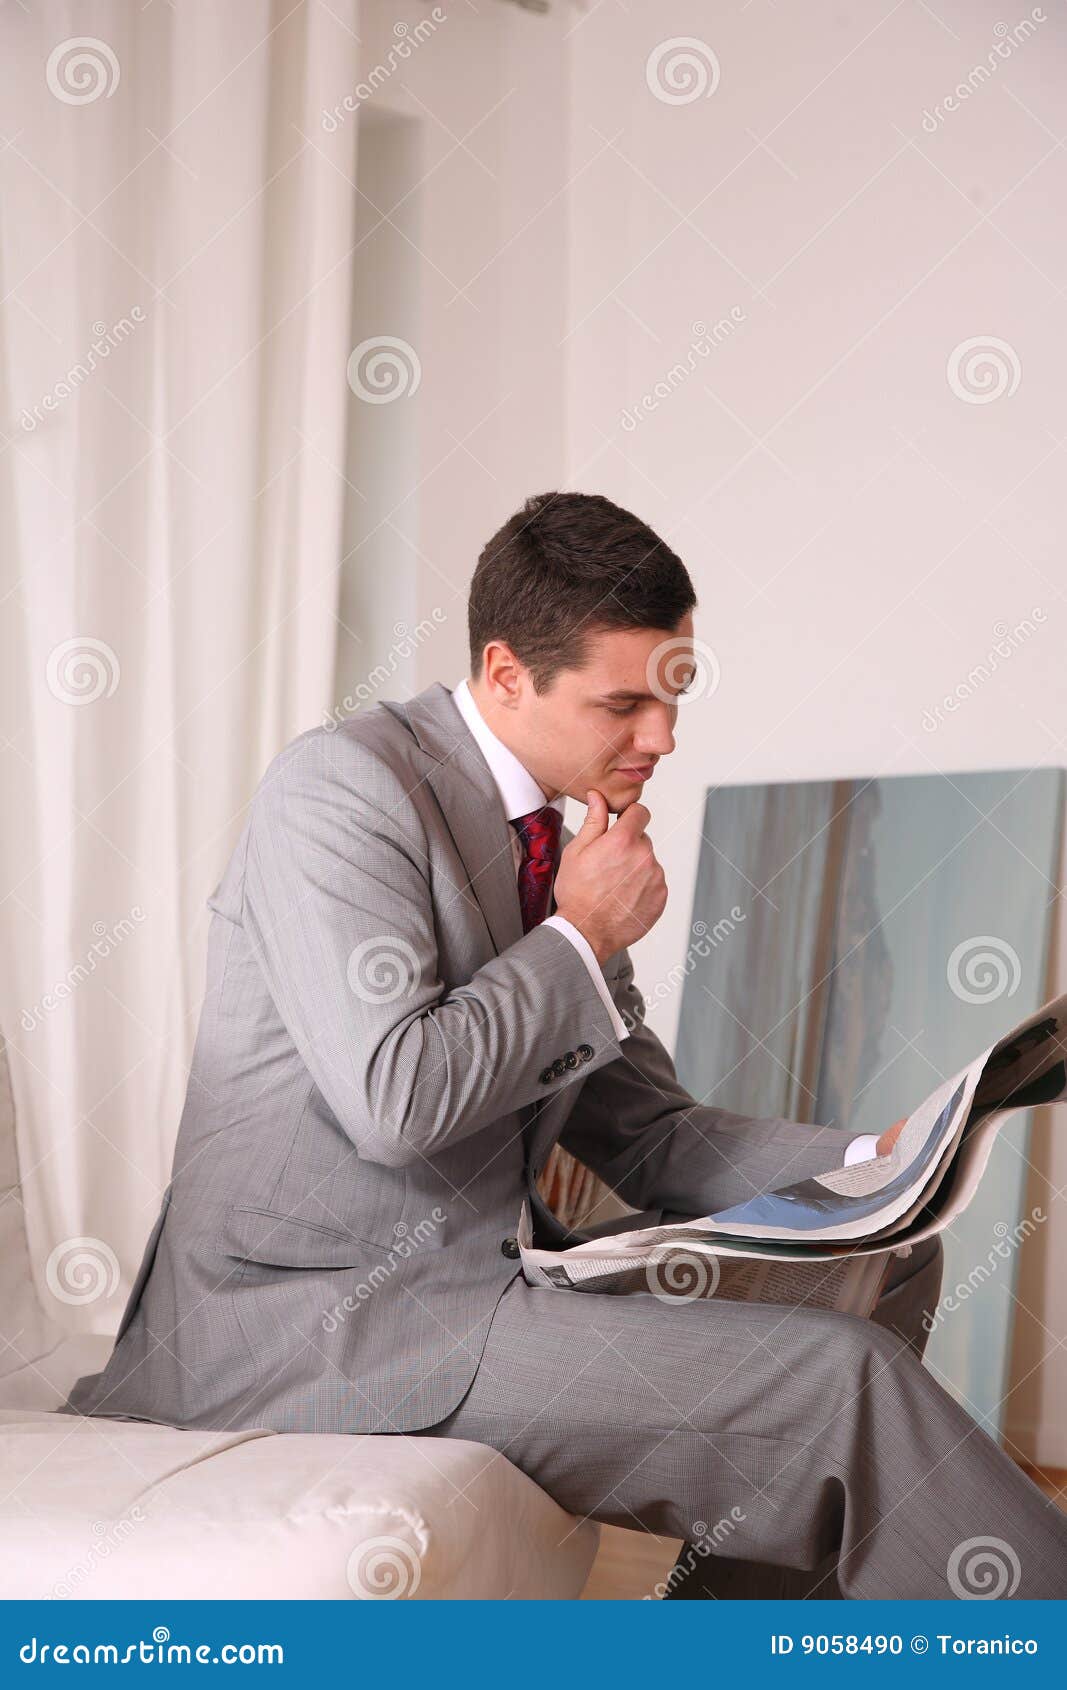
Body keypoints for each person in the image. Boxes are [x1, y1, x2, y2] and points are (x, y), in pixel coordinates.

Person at [62, 491, 1067, 1598]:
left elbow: (648, 1134)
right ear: (505, 675)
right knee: (841, 1383)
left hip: (479, 1285)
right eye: (624, 703)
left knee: (886, 1252)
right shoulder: (341, 790)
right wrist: (579, 934)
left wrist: (881, 1158)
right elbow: (395, 1103)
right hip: (314, 1327)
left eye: (673, 695)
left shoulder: (555, 838)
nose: (662, 737)